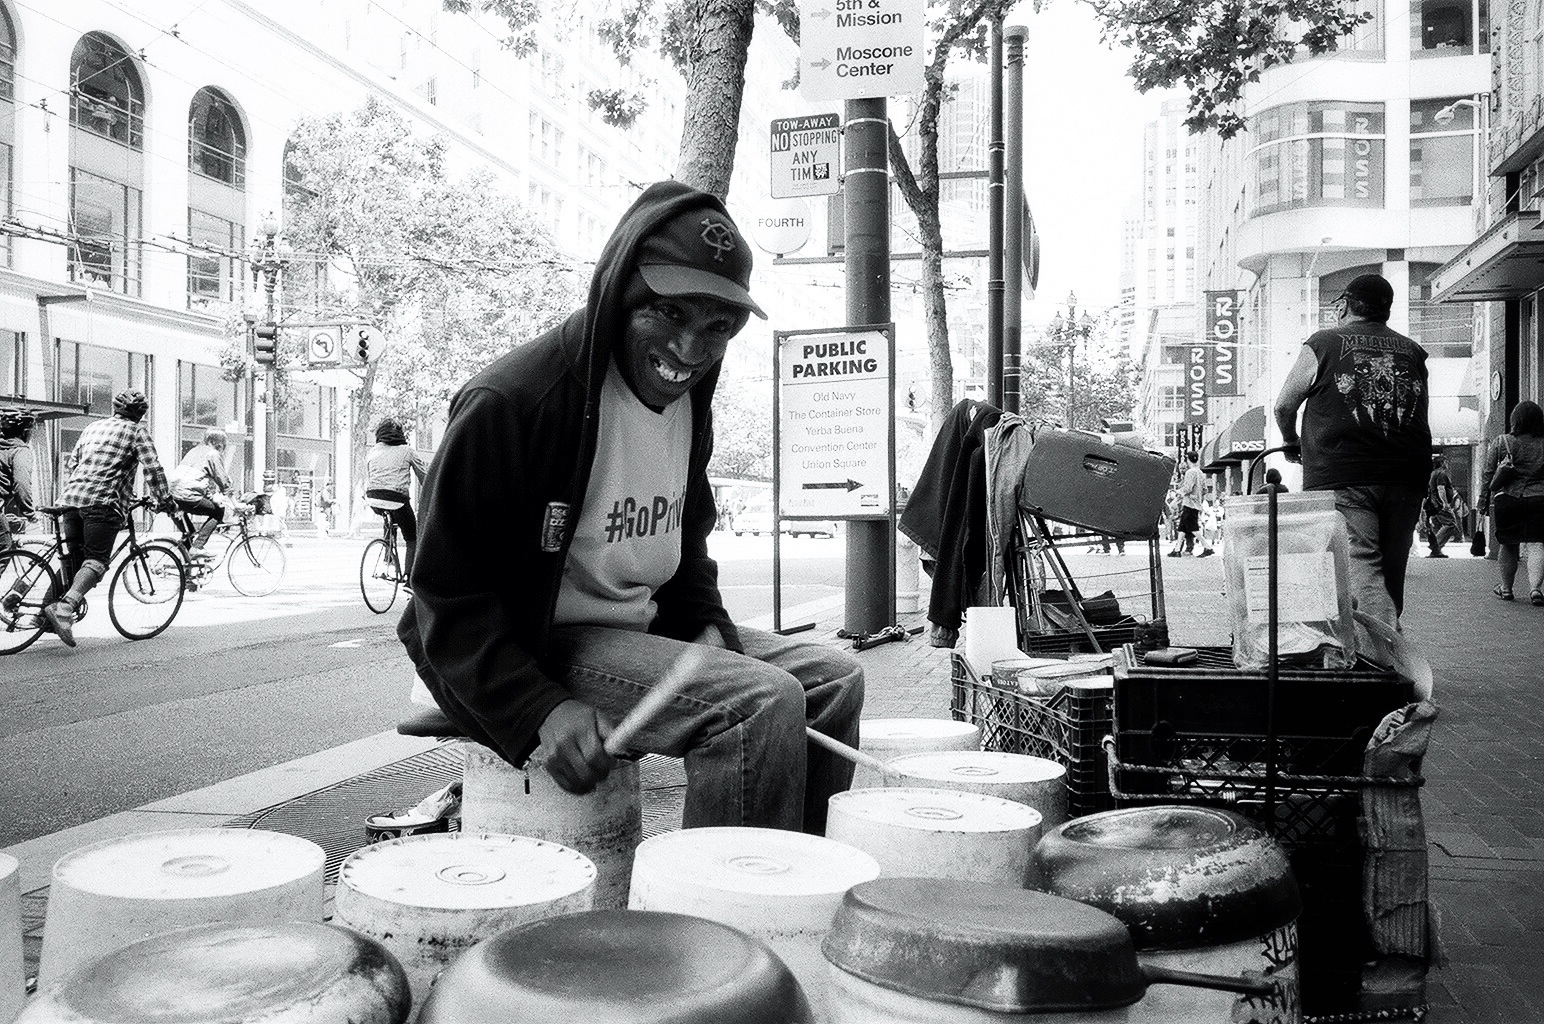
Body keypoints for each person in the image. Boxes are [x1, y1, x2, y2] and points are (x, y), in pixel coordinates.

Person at [397, 180, 863, 835]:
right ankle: (723, 925)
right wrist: (537, 707)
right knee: (756, 704)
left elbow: (687, 541)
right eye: (669, 314)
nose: (691, 352)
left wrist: (705, 623)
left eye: (717, 328)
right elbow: (443, 594)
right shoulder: (514, 403)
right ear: (620, 291)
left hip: (637, 630)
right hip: (536, 641)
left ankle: (794, 883)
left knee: (832, 679)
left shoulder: (688, 407)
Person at [1274, 273, 1432, 628]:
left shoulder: (1323, 343)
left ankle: (1385, 656)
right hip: (1407, 472)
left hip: (1345, 472)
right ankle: (1381, 643)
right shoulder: (1412, 350)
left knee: (1362, 566)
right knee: (1390, 571)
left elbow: (1285, 405)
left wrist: (1290, 443)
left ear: (1345, 305)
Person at [40, 391, 175, 648]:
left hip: (70, 500)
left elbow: (73, 464)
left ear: (115, 408)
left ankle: (42, 615)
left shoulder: (93, 427)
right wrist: (166, 501)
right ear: (141, 413)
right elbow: (153, 469)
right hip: (102, 503)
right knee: (96, 561)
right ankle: (65, 608)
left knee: (75, 562)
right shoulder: (137, 431)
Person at [1477, 400, 1544, 604]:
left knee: (1508, 544)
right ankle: (1535, 590)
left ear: (1515, 420)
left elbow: (1487, 473)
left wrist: (1482, 501)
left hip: (1507, 500)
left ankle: (1506, 589)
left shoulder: (1502, 441)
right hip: (1538, 498)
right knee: (1537, 544)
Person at [364, 419, 428, 580]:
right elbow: (425, 478)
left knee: (388, 517)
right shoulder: (407, 451)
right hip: (397, 499)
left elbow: (370, 476)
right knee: (412, 537)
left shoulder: (373, 451)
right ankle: (408, 578)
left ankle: (388, 553)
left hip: (373, 499)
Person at [168, 428, 233, 558]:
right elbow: (223, 481)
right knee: (218, 512)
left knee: (189, 533)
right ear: (219, 443)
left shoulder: (194, 451)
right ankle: (198, 547)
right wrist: (235, 504)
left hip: (171, 496)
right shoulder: (213, 454)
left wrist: (209, 496)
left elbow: (197, 479)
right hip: (187, 495)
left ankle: (187, 569)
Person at [0, 408, 38, 550]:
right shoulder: (20, 451)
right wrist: (29, 513)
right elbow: (21, 484)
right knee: (5, 548)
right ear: (25, 431)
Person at [1168, 451, 1205, 556]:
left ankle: (1207, 547)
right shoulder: (1200, 473)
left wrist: (1178, 493)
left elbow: (1187, 489)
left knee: (1191, 528)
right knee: (1182, 528)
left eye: (1183, 468)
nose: (1182, 470)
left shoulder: (1190, 473)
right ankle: (1177, 550)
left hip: (1189, 504)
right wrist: (1198, 497)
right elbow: (1205, 490)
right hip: (1194, 504)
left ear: (1188, 460)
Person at [1424, 453, 1457, 558]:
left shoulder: (1433, 473)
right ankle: (1436, 546)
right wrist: (1445, 503)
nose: (1447, 464)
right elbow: (1441, 488)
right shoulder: (1441, 474)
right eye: (1446, 461)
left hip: (1433, 504)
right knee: (1451, 523)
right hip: (1439, 504)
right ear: (1442, 463)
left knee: (1437, 525)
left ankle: (1436, 551)